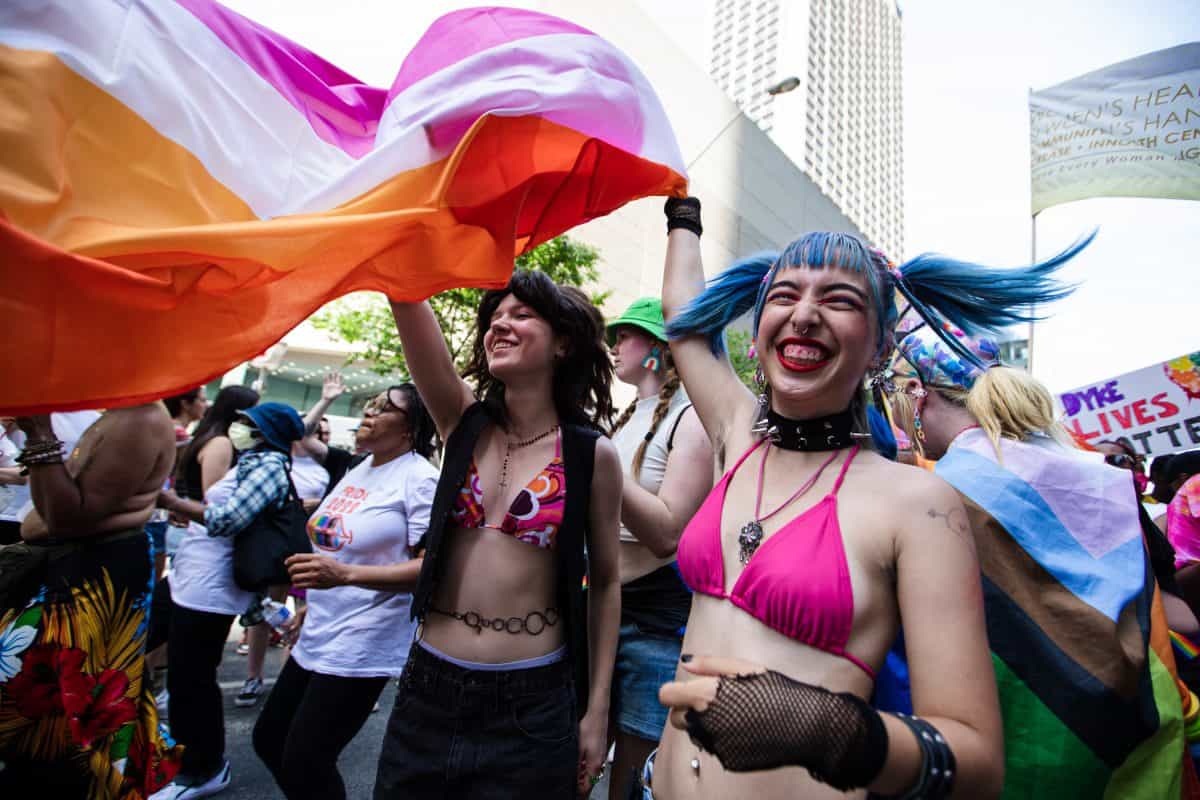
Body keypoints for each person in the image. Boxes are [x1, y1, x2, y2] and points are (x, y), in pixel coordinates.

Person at [650, 197, 1093, 799]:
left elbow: (979, 763)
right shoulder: (736, 438)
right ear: (756, 333)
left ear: (882, 346)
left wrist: (826, 731)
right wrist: (683, 209)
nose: (804, 314)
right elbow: (684, 314)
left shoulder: (921, 505)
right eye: (784, 295)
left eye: (839, 300)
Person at [883, 323, 1191, 796]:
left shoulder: (943, 489)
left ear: (916, 394)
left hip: (1028, 742)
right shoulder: (1098, 475)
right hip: (1146, 720)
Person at [372, 270, 623, 798]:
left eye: (521, 314)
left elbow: (604, 584)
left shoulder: (589, 453)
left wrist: (596, 712)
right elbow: (405, 296)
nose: (499, 325)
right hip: (427, 689)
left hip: (533, 705)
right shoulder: (460, 418)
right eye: (494, 317)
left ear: (563, 343)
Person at [251, 384, 439, 800]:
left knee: (306, 757)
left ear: (411, 430)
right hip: (322, 625)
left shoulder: (421, 479)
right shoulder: (359, 467)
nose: (369, 414)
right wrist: (313, 603)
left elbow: (432, 567)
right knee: (269, 739)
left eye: (384, 409)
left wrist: (345, 576)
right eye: (370, 406)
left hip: (366, 636)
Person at [0, 404, 183, 797]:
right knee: (49, 720)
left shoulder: (140, 418)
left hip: (92, 579)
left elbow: (68, 517)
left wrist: (40, 435)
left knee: (67, 724)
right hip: (83, 571)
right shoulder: (118, 414)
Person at [151, 402, 306, 800]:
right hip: (191, 577)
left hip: (211, 589)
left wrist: (172, 503)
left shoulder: (269, 465)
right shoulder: (252, 460)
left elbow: (226, 520)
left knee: (192, 679)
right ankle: (181, 753)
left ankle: (204, 767)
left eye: (248, 423)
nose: (238, 427)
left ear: (265, 431)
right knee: (175, 668)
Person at [605, 297, 713, 799]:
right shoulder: (626, 418)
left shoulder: (692, 418)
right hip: (599, 612)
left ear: (656, 348)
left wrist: (593, 458)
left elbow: (668, 532)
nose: (613, 346)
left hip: (655, 624)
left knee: (630, 782)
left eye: (623, 335)